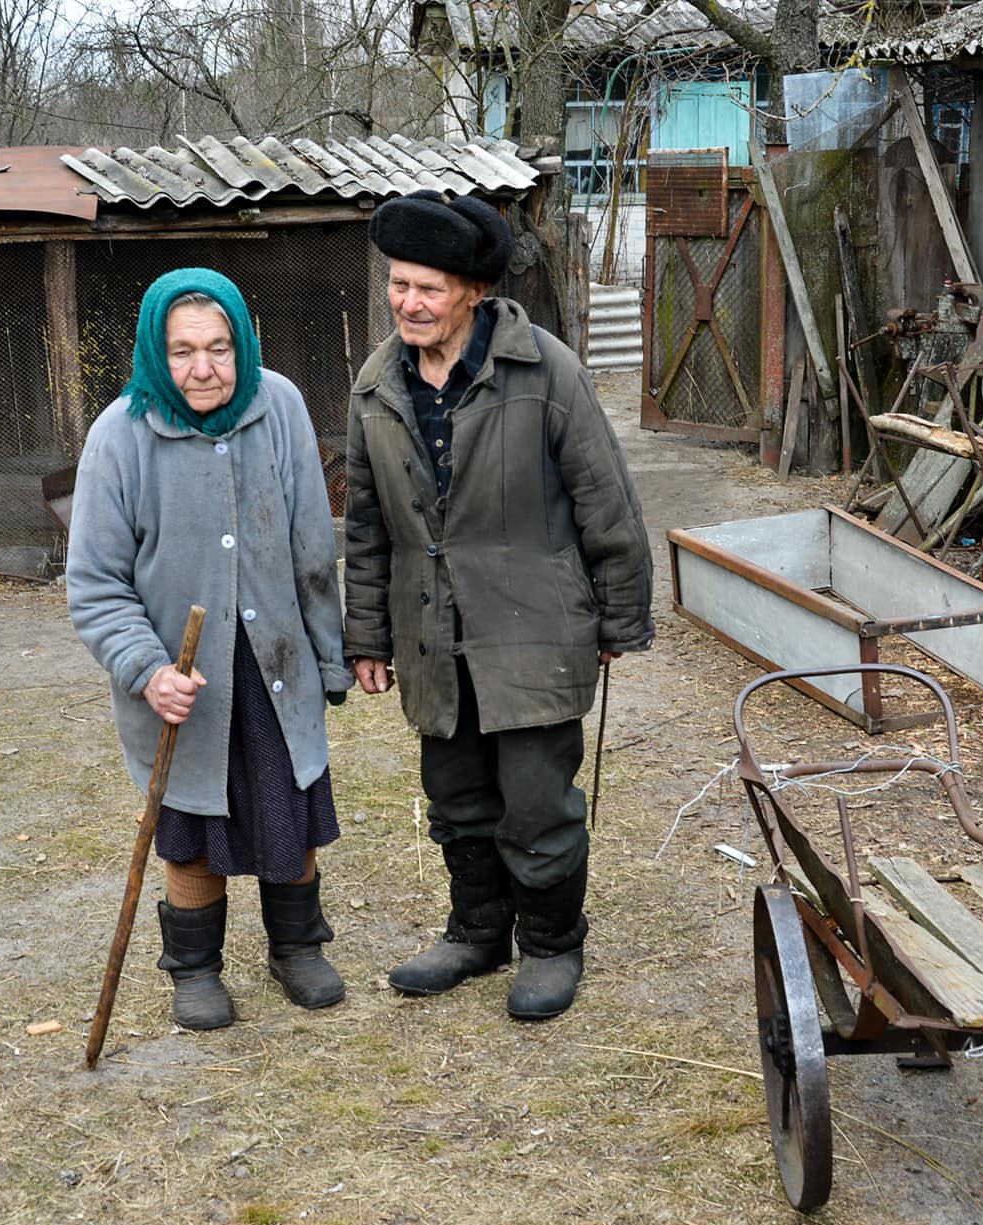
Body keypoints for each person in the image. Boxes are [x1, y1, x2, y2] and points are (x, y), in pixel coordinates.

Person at [343, 191, 654, 1020]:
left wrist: (619, 617)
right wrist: (367, 634)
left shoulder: (546, 370)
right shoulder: (377, 384)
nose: (409, 302)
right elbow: (368, 525)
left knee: (537, 800)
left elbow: (606, 501)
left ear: (474, 292)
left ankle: (551, 943)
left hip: (536, 627)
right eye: (399, 284)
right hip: (432, 631)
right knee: (456, 797)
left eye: (429, 288)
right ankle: (478, 932)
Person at [68, 268, 354, 1031]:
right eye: (184, 350)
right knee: (193, 820)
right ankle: (195, 968)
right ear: (156, 354)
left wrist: (330, 657)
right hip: (183, 676)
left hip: (274, 663)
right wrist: (146, 670)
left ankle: (297, 947)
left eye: (220, 348)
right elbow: (94, 584)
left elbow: (312, 546)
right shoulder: (119, 437)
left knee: (289, 803)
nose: (204, 368)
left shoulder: (279, 405)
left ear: (243, 345)